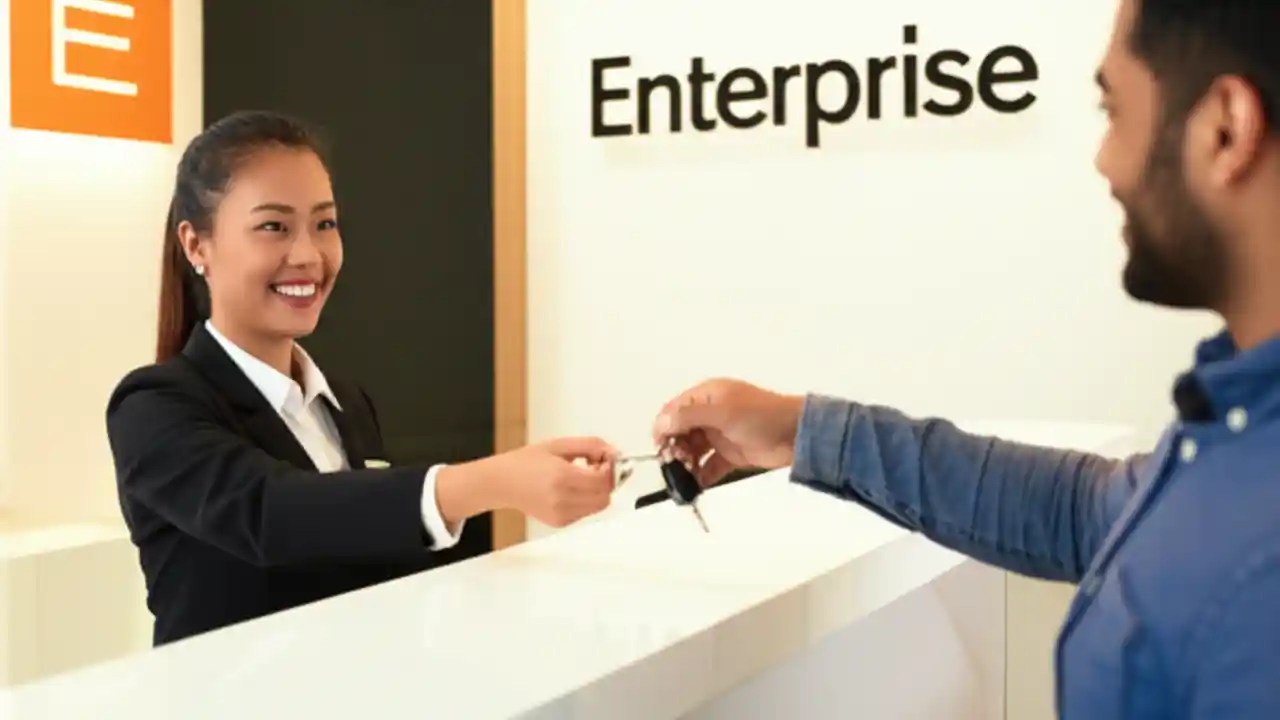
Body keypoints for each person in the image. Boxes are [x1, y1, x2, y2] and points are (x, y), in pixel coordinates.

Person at [651, 0, 1280, 717]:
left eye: (1113, 111)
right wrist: (805, 430)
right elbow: (1084, 510)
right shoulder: (1238, 427)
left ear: (1226, 127)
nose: (1104, 160)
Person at [106, 110, 618, 645]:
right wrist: (492, 482)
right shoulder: (153, 406)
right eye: (273, 227)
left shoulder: (346, 403)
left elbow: (372, 560)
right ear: (196, 245)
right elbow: (270, 514)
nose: (308, 254)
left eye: (324, 224)